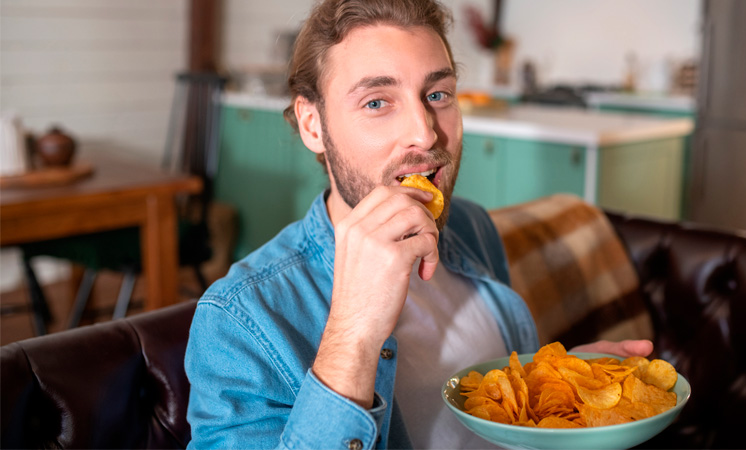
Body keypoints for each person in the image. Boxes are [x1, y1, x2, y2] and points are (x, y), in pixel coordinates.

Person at [184, 0, 652, 448]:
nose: (425, 132)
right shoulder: (238, 321)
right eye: (376, 102)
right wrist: (354, 334)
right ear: (312, 125)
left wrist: (563, 383)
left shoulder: (469, 227)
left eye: (437, 94)